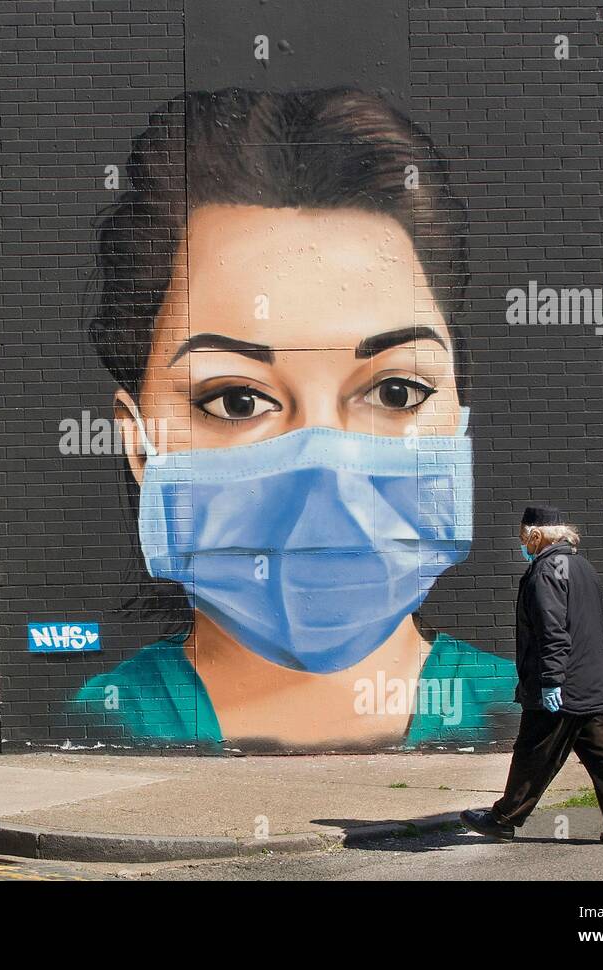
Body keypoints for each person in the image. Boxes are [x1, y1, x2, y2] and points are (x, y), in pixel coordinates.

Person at [68, 87, 520, 751]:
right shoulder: (102, 723)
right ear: (140, 446)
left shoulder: (520, 711)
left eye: (395, 391)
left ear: (459, 420)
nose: (325, 470)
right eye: (237, 400)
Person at [460, 506, 603, 843]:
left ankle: (503, 818)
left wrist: (551, 681)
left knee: (534, 752)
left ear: (536, 534)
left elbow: (553, 632)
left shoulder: (546, 571)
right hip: (589, 682)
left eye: (523, 537)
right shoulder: (583, 567)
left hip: (561, 684)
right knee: (602, 754)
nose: (522, 545)